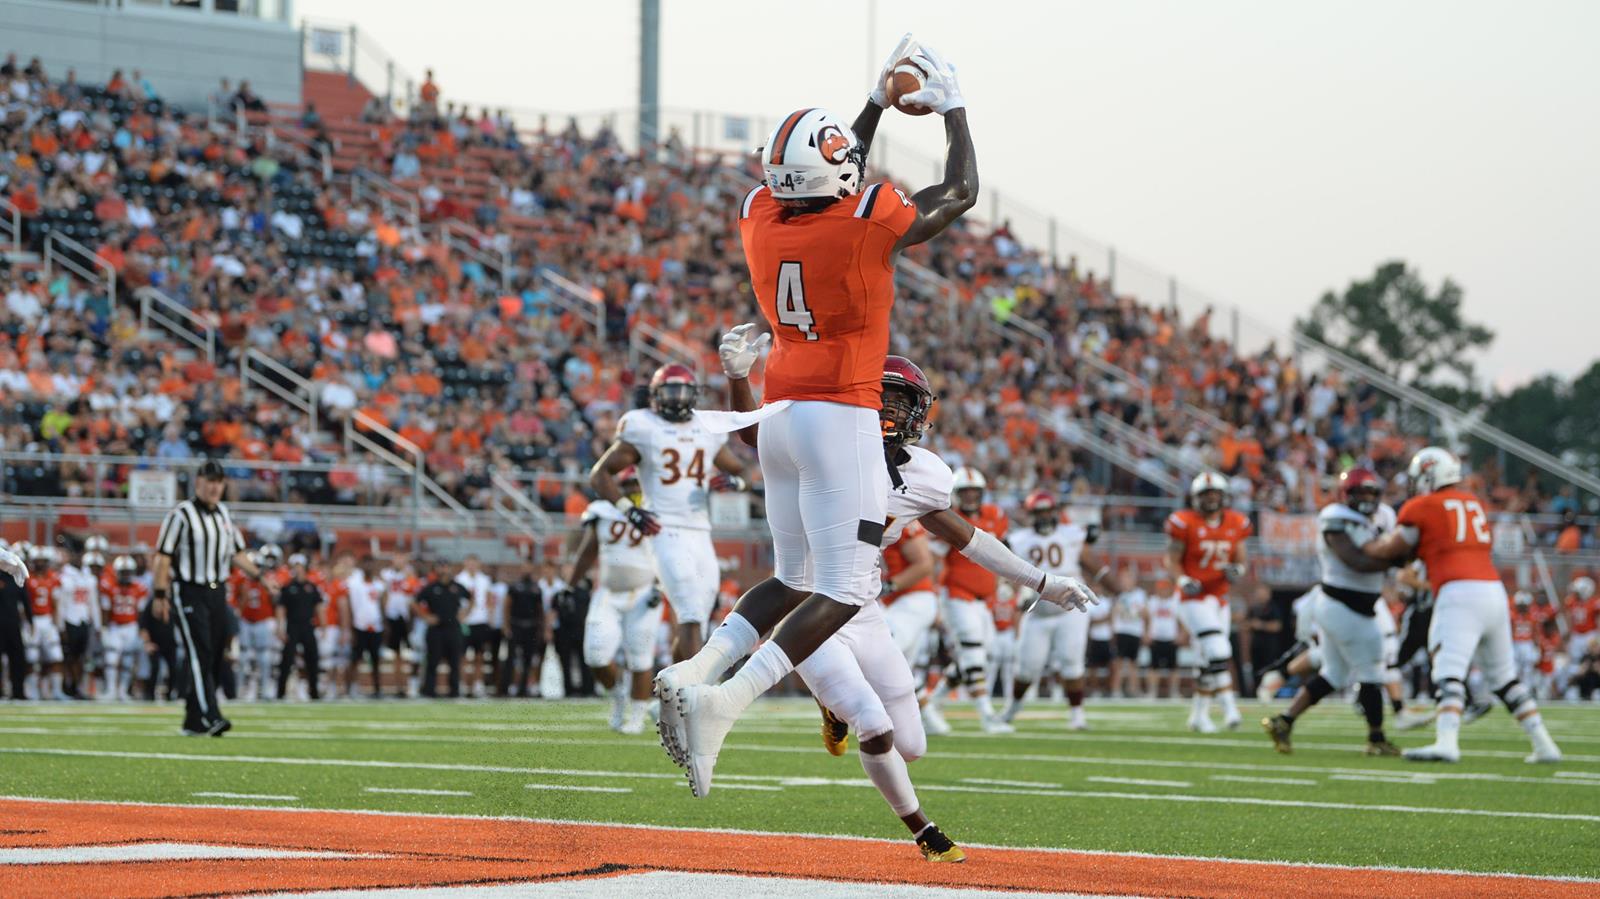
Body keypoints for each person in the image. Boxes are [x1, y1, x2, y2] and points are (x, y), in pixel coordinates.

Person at [655, 34, 982, 798]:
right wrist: (955, 106)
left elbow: (831, 173)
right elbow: (958, 191)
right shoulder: (864, 217)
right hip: (841, 415)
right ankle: (721, 702)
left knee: (791, 576)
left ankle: (694, 666)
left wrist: (870, 105)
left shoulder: (758, 212)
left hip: (781, 409)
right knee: (842, 587)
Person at [1359, 447, 1561, 763]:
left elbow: (1392, 548)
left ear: (1428, 475)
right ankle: (1545, 744)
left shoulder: (1423, 506)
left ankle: (1447, 742)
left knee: (1447, 669)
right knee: (1504, 677)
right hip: (1493, 591)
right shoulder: (1473, 502)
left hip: (1458, 591)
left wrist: (1366, 546)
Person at [589, 364, 750, 664]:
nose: (676, 398)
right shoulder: (642, 425)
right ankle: (695, 695)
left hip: (700, 531)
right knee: (689, 612)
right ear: (654, 395)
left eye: (682, 391)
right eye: (669, 391)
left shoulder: (706, 427)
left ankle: (671, 695)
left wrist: (734, 482)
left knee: (699, 619)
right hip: (662, 528)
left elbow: (743, 470)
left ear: (694, 394)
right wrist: (630, 510)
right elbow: (600, 475)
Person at [1261, 468, 1401, 756]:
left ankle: (1284, 720)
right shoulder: (1335, 518)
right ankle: (1376, 738)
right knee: (1373, 671)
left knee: (1334, 674)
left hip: (1351, 605)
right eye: (1359, 492)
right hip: (1342, 604)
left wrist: (1393, 553)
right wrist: (1399, 556)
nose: (1365, 498)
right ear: (1345, 495)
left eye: (1370, 492)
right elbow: (1357, 561)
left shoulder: (1385, 515)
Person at [150, 459, 271, 735]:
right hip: (189, 590)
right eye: (209, 481)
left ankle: (193, 719)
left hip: (218, 591)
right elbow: (163, 557)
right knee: (199, 651)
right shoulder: (181, 514)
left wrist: (260, 576)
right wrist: (160, 594)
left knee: (216, 654)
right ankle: (211, 714)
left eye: (218, 481)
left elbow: (237, 553)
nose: (214, 486)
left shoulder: (224, 515)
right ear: (198, 483)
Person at [1003, 491, 1112, 730]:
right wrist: (1014, 590)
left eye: (1047, 511)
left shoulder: (1071, 534)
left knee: (1072, 663)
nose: (1044, 517)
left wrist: (1110, 582)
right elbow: (1008, 572)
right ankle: (1013, 708)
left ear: (1055, 512)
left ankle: (1077, 715)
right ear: (1031, 515)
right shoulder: (1018, 539)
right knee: (1026, 668)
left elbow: (1089, 560)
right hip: (1037, 612)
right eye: (1038, 512)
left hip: (1070, 611)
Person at [569, 466, 660, 732]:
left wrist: (661, 588)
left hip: (644, 593)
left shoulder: (658, 511)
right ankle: (618, 694)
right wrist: (569, 586)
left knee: (640, 659)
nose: (633, 488)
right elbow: (587, 553)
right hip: (608, 593)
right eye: (628, 483)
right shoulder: (603, 510)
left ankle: (636, 716)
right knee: (595, 656)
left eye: (636, 483)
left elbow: (670, 555)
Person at [1165, 472, 1252, 733]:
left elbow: (1241, 559)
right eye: (1205, 494)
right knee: (1218, 650)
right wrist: (1181, 581)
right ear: (1195, 498)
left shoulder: (1237, 522)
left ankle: (1198, 716)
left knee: (1206, 658)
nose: (1211, 499)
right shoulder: (1184, 522)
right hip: (1192, 598)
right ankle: (1229, 709)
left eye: (1215, 494)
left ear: (1224, 496)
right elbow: (1171, 559)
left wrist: (1238, 571)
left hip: (1219, 599)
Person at [231, 544, 281, 700]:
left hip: (263, 620)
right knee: (244, 657)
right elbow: (236, 600)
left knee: (265, 657)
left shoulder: (267, 581)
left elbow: (276, 602)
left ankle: (264, 688)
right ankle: (242, 688)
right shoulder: (240, 580)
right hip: (246, 620)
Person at [54, 537, 100, 699]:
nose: (78, 557)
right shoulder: (65, 576)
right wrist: (60, 626)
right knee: (68, 657)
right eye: (76, 554)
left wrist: (97, 624)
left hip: (84, 620)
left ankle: (77, 686)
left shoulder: (88, 577)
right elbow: (60, 605)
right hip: (70, 620)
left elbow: (93, 603)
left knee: (82, 658)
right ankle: (67, 686)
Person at [275, 554, 324, 701]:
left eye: (299, 565)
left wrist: (323, 627)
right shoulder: (288, 587)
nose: (297, 569)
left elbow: (319, 607)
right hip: (292, 626)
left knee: (312, 659)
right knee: (287, 659)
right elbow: (280, 609)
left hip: (308, 625)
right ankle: (280, 692)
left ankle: (314, 691)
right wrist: (280, 628)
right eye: (295, 566)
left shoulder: (312, 587)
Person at [417, 561, 468, 698]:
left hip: (453, 628)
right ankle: (429, 691)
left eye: (446, 566)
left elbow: (471, 598)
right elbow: (414, 601)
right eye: (441, 567)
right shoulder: (431, 587)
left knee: (455, 662)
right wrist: (425, 616)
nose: (444, 570)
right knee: (433, 661)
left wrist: (465, 613)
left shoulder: (457, 587)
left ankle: (454, 691)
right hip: (436, 629)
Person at [101, 556, 148, 701]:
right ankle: (110, 690)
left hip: (131, 626)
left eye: (128, 572)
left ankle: (122, 691)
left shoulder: (140, 588)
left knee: (127, 660)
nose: (126, 575)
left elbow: (141, 613)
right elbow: (105, 610)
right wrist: (104, 628)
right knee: (111, 659)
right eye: (123, 572)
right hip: (115, 626)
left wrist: (141, 630)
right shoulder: (109, 587)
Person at [343, 555, 387, 698]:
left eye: (371, 564)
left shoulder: (379, 584)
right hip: (359, 626)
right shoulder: (354, 583)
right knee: (355, 659)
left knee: (375, 660)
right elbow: (349, 605)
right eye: (366, 564)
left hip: (376, 627)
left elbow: (382, 605)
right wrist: (349, 626)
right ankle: (351, 688)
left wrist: (384, 623)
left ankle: (377, 688)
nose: (369, 567)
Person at [500, 564, 546, 698]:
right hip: (515, 625)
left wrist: (540, 628)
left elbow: (540, 610)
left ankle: (523, 688)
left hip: (531, 627)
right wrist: (506, 626)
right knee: (511, 658)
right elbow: (507, 606)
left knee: (528, 659)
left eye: (529, 567)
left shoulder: (536, 588)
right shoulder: (514, 586)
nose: (527, 569)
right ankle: (505, 688)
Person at [25, 545, 65, 700]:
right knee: (32, 657)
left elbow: (56, 604)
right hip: (33, 620)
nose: (40, 564)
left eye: (43, 561)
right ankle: (33, 691)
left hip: (48, 620)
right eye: (37, 561)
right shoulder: (27, 578)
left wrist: (58, 625)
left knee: (56, 656)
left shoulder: (54, 578)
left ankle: (55, 691)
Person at [381, 554, 421, 697]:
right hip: (393, 617)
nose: (399, 561)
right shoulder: (386, 574)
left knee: (412, 654)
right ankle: (399, 686)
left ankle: (411, 685)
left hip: (408, 618)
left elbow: (413, 595)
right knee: (396, 653)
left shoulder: (410, 575)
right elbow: (384, 595)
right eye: (397, 558)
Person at [455, 555, 495, 697]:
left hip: (480, 620)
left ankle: (478, 684)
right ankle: (463, 684)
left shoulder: (484, 579)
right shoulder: (459, 579)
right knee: (463, 656)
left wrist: (490, 617)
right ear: (465, 564)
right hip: (465, 622)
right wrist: (460, 617)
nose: (472, 566)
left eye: (474, 563)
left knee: (479, 655)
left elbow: (490, 599)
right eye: (469, 563)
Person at [1110, 570, 1149, 697]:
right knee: (1119, 662)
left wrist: (1145, 631)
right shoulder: (1119, 595)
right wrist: (1113, 630)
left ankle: (1133, 689)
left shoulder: (1140, 594)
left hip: (1135, 631)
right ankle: (1116, 690)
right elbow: (1115, 613)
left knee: (1133, 663)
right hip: (1122, 631)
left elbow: (1145, 614)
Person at [0, 542, 27, 699]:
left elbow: (25, 602)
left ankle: (18, 691)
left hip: (12, 623)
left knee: (18, 658)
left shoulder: (11, 579)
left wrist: (29, 622)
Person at [1145, 584, 1182, 698]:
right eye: (1161, 589)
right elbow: (1146, 618)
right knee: (1153, 667)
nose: (1163, 591)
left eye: (1165, 588)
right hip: (1155, 638)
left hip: (1171, 638)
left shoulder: (1175, 602)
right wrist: (1146, 633)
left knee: (1174, 668)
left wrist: (1182, 634)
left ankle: (1174, 692)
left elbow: (1181, 619)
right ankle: (1152, 692)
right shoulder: (1152, 601)